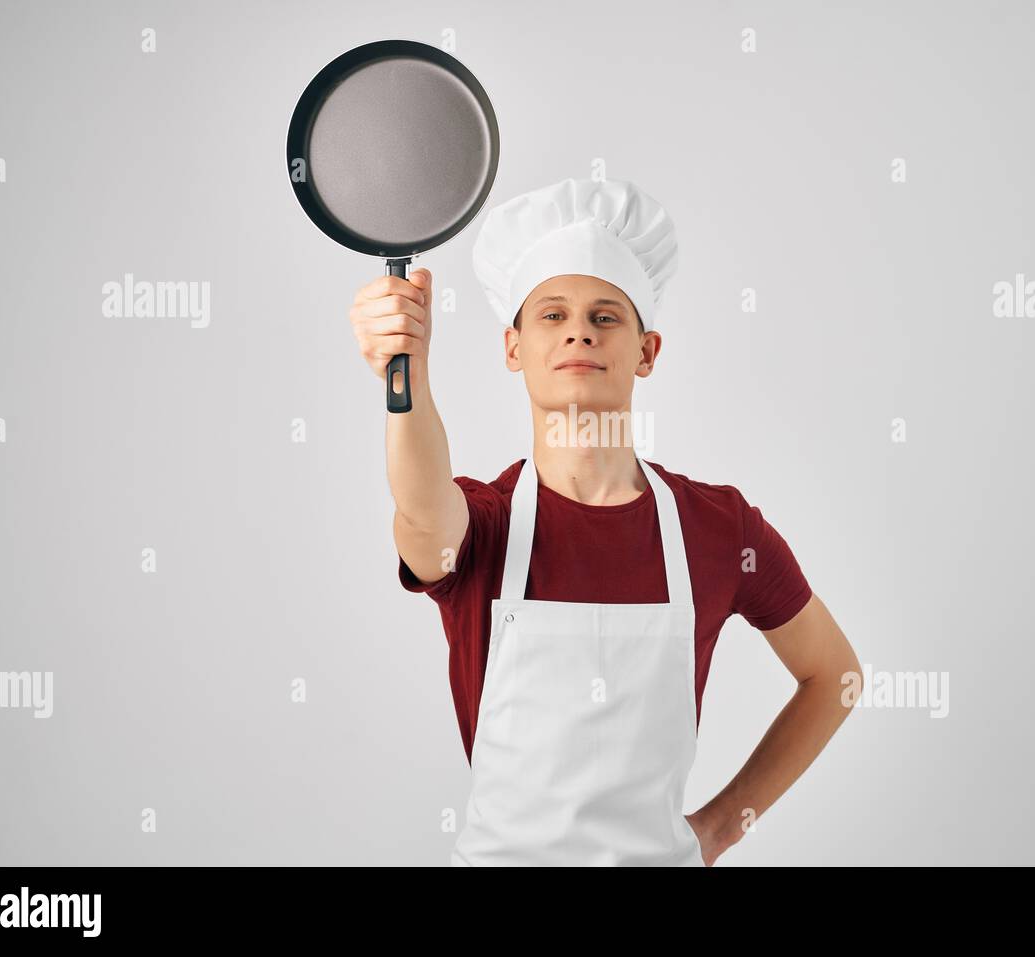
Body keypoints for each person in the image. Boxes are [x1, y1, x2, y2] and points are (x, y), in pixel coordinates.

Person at [348, 177, 862, 866]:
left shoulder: (722, 529)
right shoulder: (481, 526)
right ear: (513, 348)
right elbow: (419, 505)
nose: (579, 330)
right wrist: (406, 373)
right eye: (552, 315)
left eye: (606, 315)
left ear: (648, 351)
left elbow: (835, 677)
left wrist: (721, 826)